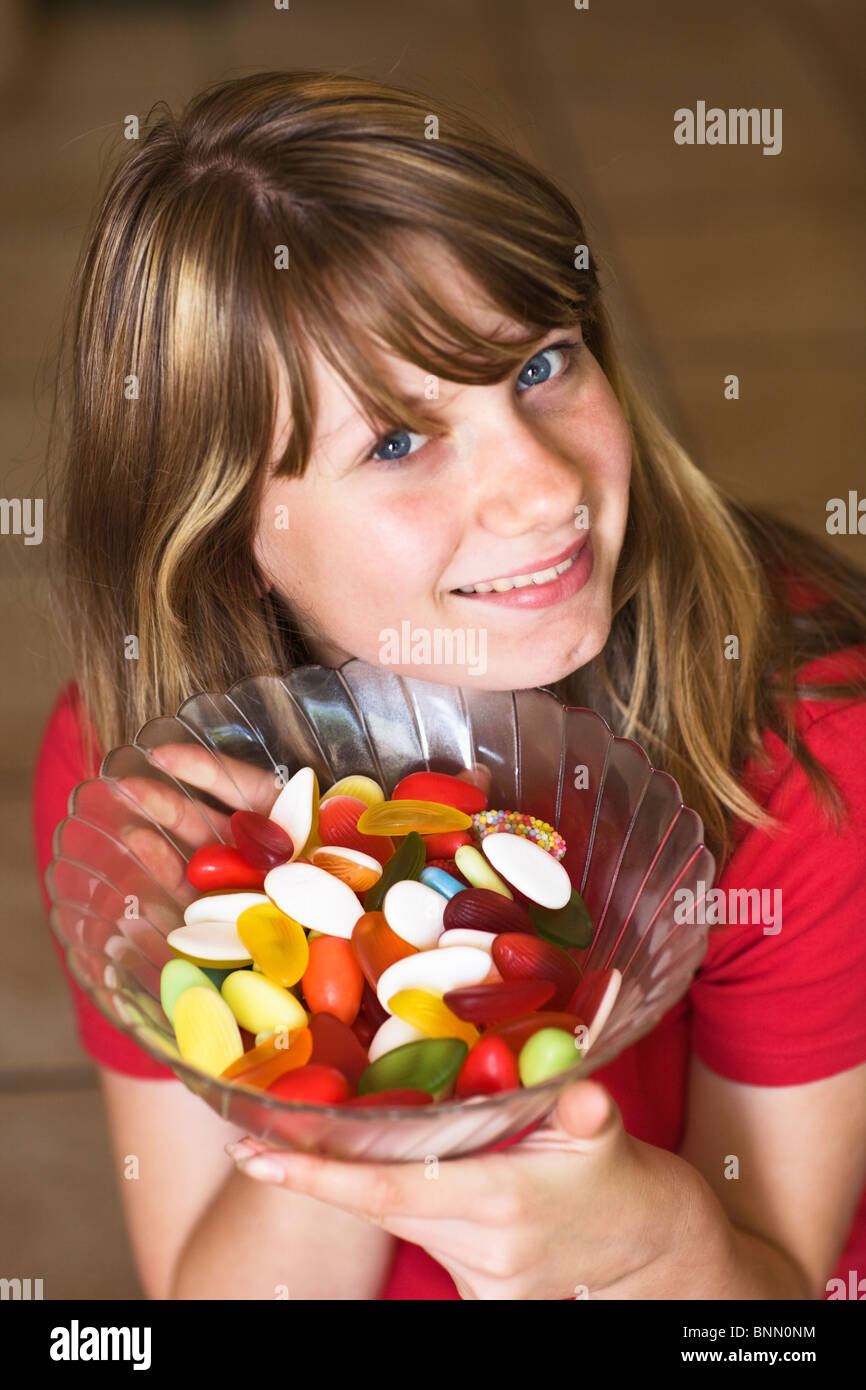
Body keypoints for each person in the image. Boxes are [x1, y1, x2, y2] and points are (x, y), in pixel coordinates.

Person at [33, 70, 866, 1301]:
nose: (541, 491)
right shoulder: (156, 787)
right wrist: (324, 1022)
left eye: (539, 366)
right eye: (396, 440)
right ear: (224, 531)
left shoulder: (800, 743)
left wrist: (656, 1247)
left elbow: (774, 1298)